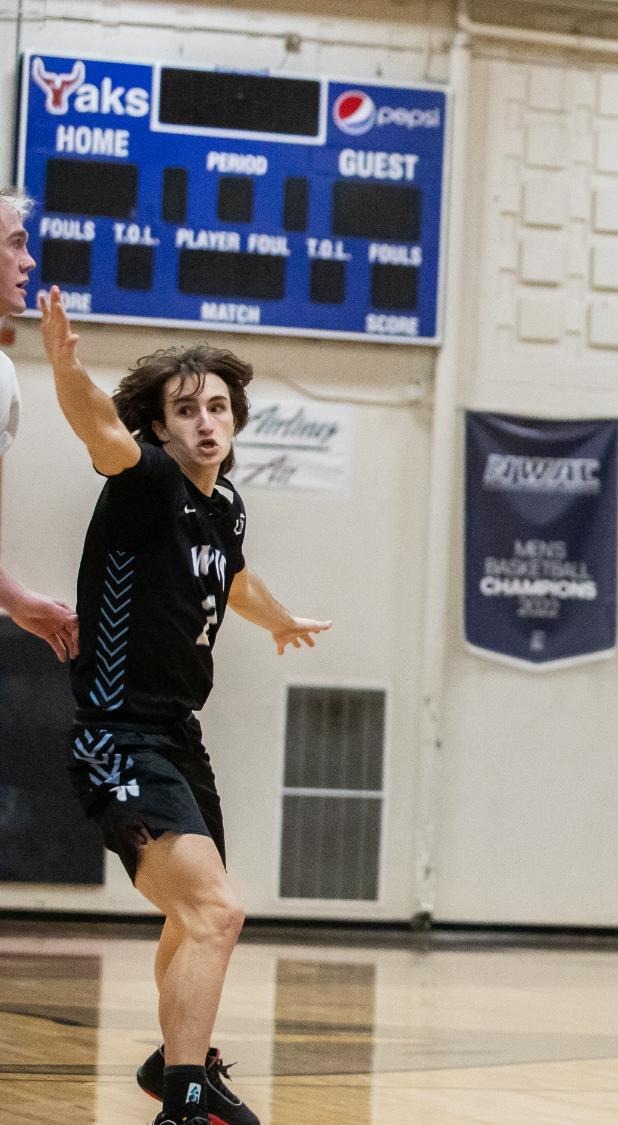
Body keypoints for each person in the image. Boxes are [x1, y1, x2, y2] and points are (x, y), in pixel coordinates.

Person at [42, 287, 330, 1125]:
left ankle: (173, 1059)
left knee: (192, 912)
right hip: (118, 734)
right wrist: (67, 370)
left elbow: (233, 575)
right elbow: (98, 428)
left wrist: (278, 618)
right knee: (216, 910)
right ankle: (187, 1099)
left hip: (178, 736)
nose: (206, 421)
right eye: (186, 409)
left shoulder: (225, 504)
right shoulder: (150, 479)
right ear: (160, 428)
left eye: (217, 406)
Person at [0, 186, 78, 661]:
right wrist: (17, 599)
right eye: (15, 243)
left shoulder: (4, 373)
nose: (29, 261)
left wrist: (16, 600)